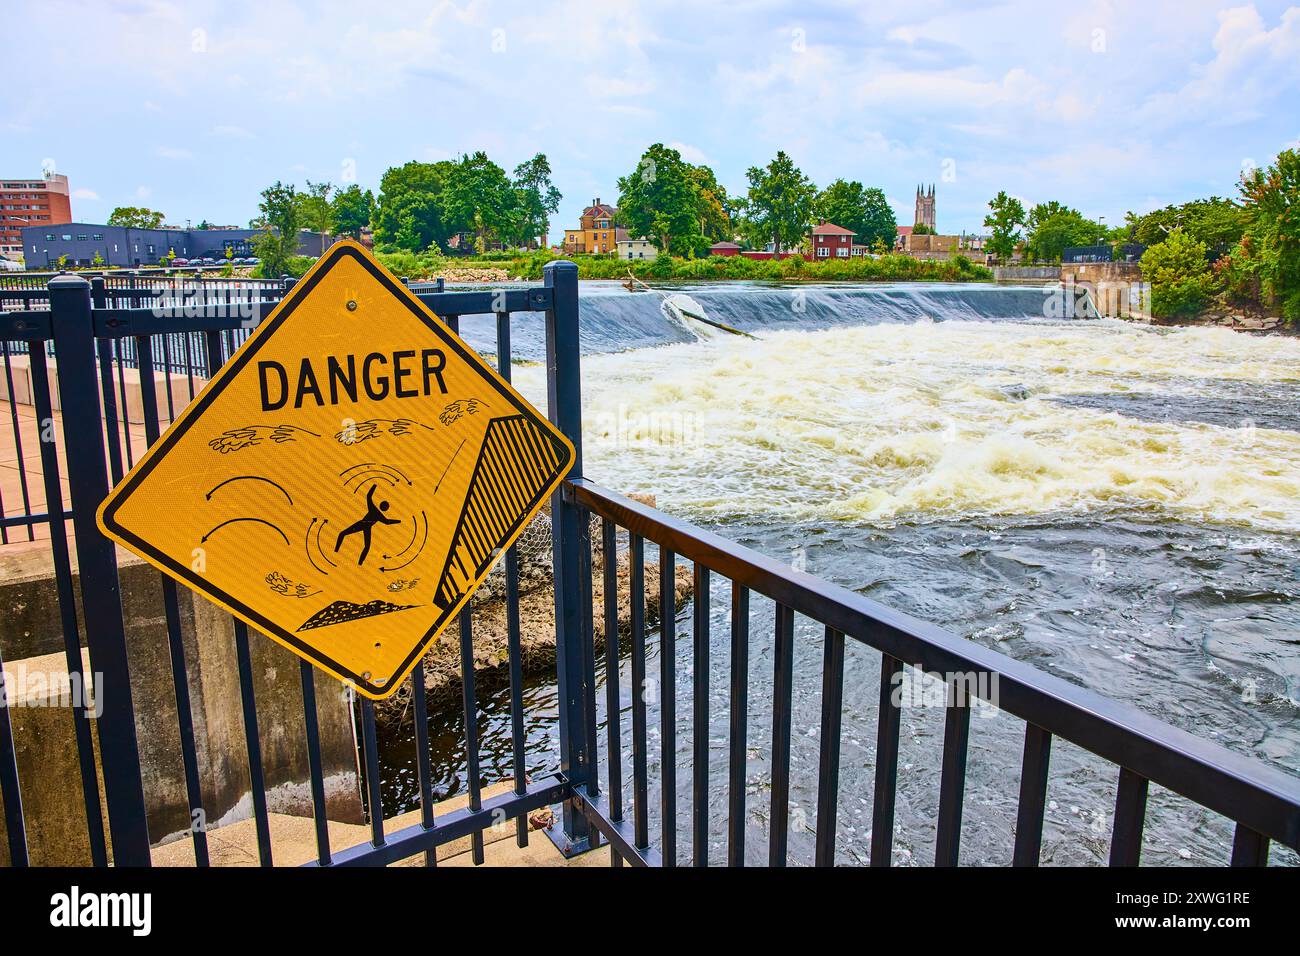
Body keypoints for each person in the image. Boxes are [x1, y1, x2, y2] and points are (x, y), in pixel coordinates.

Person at [334, 484, 401, 565]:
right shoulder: (377, 513)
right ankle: (357, 562)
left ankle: (356, 562)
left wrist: (374, 485)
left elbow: (368, 496)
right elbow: (387, 522)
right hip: (364, 525)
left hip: (364, 525)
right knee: (345, 535)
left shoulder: (374, 510)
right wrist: (398, 521)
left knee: (344, 534)